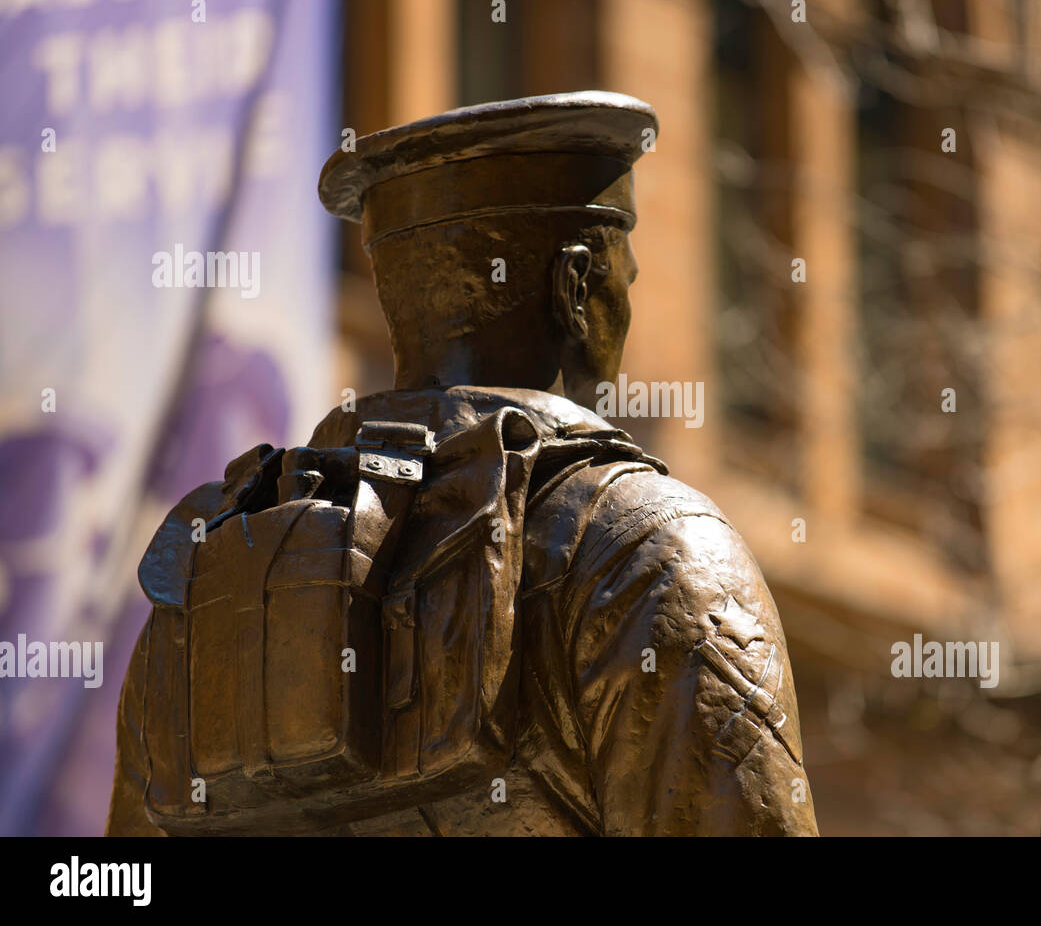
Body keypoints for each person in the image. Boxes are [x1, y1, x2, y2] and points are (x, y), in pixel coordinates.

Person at [108, 92, 818, 836]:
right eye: (624, 277)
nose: (627, 304)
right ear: (574, 285)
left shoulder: (210, 576)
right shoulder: (650, 550)